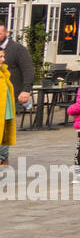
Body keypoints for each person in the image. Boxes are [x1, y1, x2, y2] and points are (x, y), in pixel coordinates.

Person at [0, 24, 33, 168]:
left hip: (9, 97)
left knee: (4, 129)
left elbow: (28, 69)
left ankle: (3, 160)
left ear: (6, 32)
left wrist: (26, 89)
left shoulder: (18, 49)